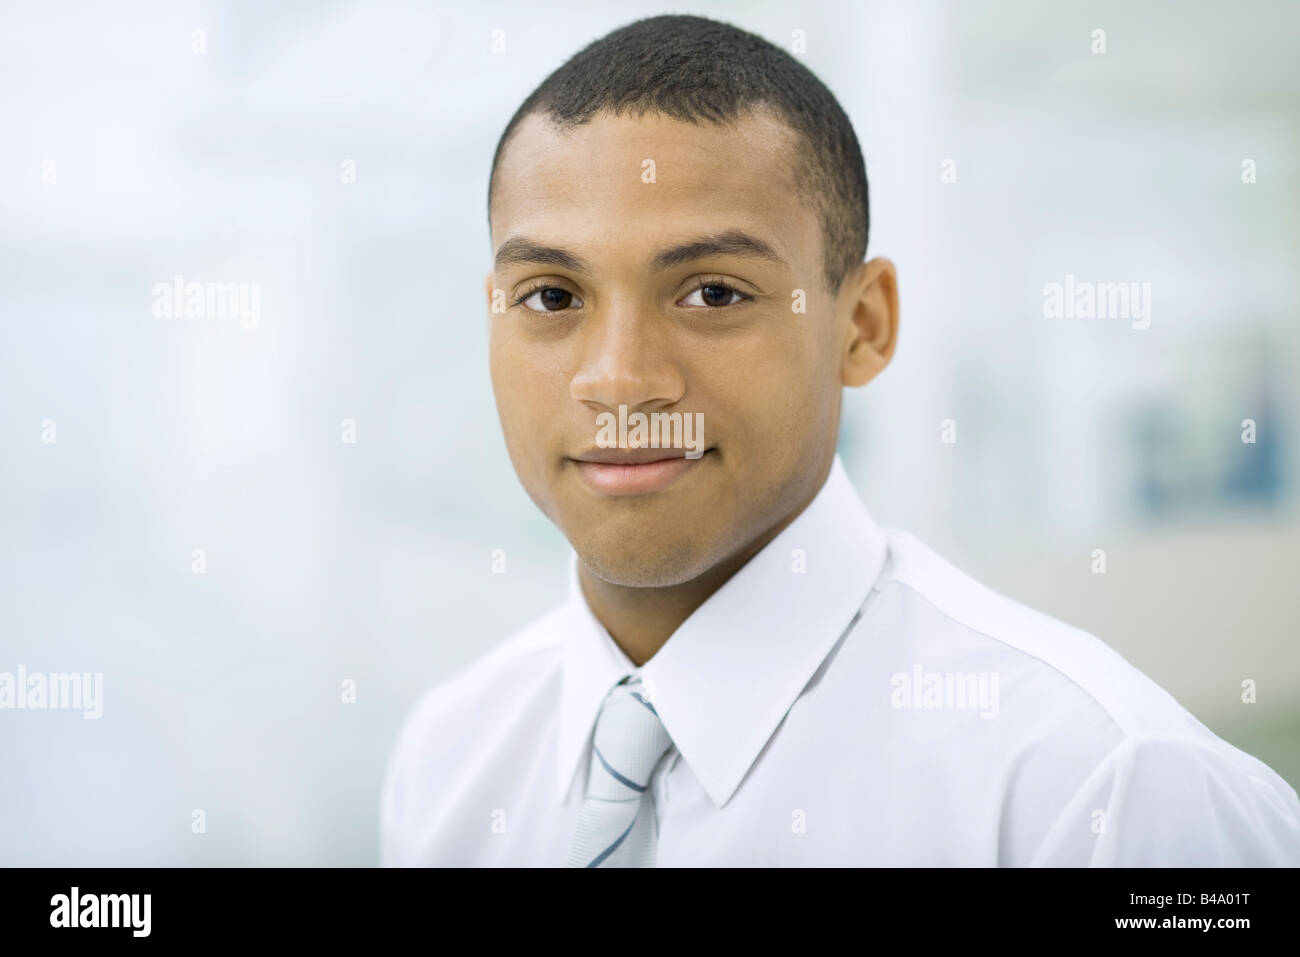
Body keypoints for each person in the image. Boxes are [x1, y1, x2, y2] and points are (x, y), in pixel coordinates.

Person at [380, 13, 1300, 866]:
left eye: (712, 293)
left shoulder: (1103, 790)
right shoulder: (448, 759)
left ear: (862, 325)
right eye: (551, 297)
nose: (618, 378)